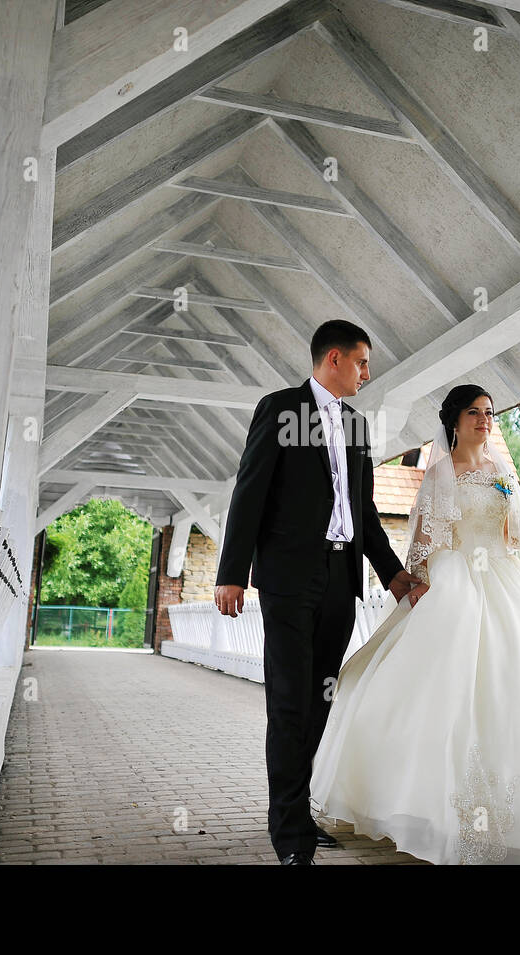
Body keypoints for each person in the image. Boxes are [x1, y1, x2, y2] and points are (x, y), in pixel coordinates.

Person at [308, 384, 520, 865]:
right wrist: (421, 583)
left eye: (489, 413)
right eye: (475, 412)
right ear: (455, 420)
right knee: (438, 691)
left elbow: (516, 532)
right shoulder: (441, 474)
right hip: (456, 581)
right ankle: (428, 811)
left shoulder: (501, 471)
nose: (485, 420)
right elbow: (427, 540)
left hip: (504, 583)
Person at [214, 320, 422, 865]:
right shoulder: (280, 409)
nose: (366, 374)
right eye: (361, 363)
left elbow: (365, 512)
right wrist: (231, 571)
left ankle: (298, 811)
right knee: (288, 703)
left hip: (339, 582)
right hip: (287, 580)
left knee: (319, 702)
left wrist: (393, 573)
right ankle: (290, 835)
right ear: (334, 358)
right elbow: (249, 490)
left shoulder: (357, 426)